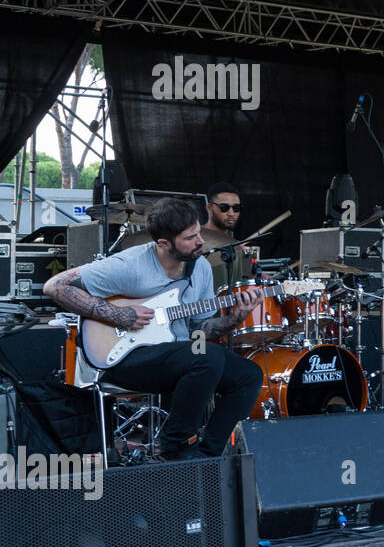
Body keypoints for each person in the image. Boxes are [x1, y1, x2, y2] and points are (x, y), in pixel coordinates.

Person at [43, 197, 265, 460]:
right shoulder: (129, 266)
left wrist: (234, 319)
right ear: (163, 243)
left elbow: (199, 331)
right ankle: (174, 447)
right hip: (122, 356)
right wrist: (119, 314)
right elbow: (54, 286)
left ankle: (207, 456)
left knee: (248, 374)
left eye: (198, 233)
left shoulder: (201, 267)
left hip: (177, 353)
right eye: (190, 237)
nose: (200, 242)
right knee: (207, 357)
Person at [202, 182, 251, 291]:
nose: (231, 213)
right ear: (209, 207)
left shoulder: (237, 246)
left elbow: (249, 280)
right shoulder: (195, 239)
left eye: (236, 208)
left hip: (234, 306)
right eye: (224, 207)